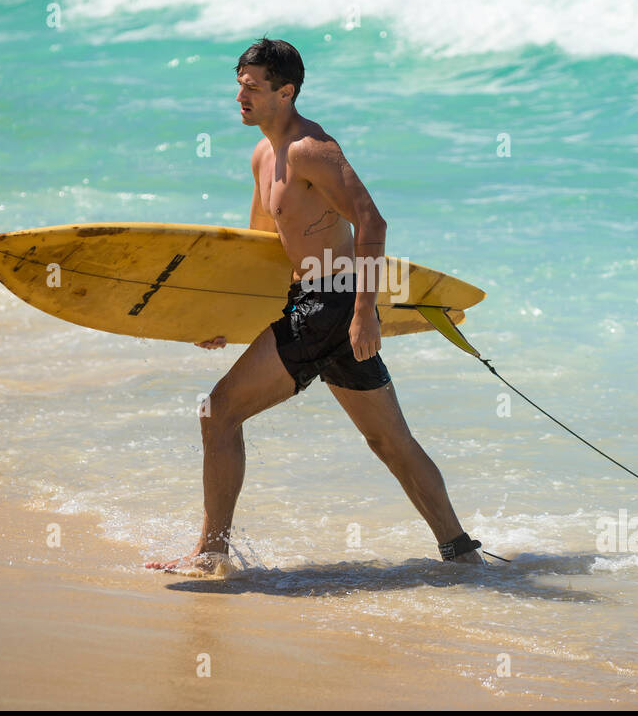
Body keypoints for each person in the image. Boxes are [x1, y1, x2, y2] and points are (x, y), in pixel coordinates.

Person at [146, 38, 484, 573]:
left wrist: (363, 312)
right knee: (388, 440)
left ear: (287, 92)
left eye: (253, 88)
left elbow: (372, 222)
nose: (241, 96)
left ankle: (211, 554)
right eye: (239, 85)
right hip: (311, 301)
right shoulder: (263, 155)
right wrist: (224, 321)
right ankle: (462, 554)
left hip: (333, 304)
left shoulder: (311, 149)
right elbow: (262, 255)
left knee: (219, 413)